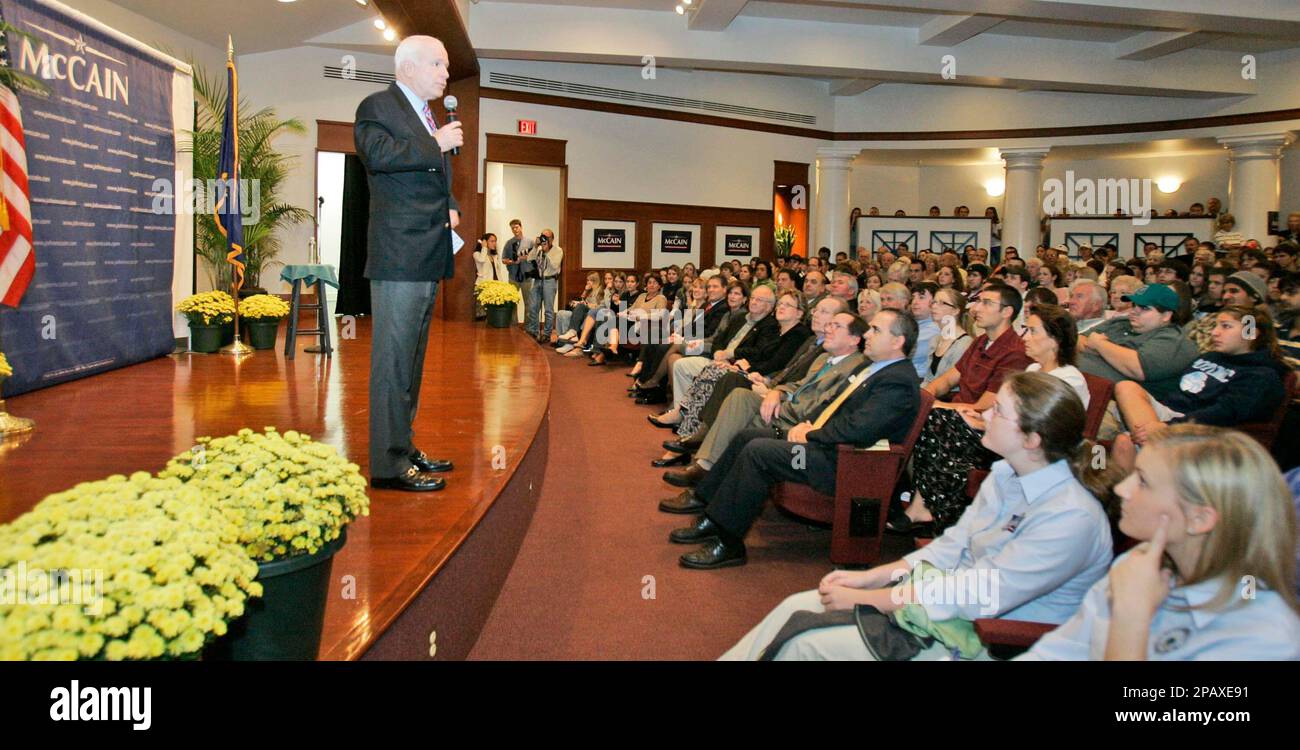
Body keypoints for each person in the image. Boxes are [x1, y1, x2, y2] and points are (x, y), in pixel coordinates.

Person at [724, 372, 1113, 659]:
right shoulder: (1006, 474)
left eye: (999, 411)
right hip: (940, 602)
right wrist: (870, 576)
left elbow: (981, 596)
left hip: (985, 639)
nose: (983, 413)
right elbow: (949, 549)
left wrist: (878, 597)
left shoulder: (1069, 517)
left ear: (1031, 439)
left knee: (805, 645)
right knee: (796, 605)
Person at [667, 311, 923, 569]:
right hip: (826, 448)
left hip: (841, 463)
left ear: (897, 341)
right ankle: (711, 513)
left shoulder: (897, 380)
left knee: (759, 452)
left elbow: (860, 428)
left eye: (876, 330)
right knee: (748, 436)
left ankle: (729, 542)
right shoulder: (875, 369)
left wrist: (810, 433)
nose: (867, 333)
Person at [1020, 425, 1300, 660]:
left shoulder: (1264, 636)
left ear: (1199, 518)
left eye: (1142, 481)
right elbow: (1058, 652)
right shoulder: (1141, 563)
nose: (1121, 489)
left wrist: (1131, 617)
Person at [354, 34, 462, 493]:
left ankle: (403, 445)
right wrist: (434, 142)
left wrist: (451, 202)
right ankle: (387, 466)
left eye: (446, 66)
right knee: (393, 363)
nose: (445, 73)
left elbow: (430, 177)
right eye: (437, 64)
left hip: (425, 250)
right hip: (398, 255)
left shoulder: (426, 114)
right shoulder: (377, 106)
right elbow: (377, 157)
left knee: (412, 363)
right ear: (409, 68)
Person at [891, 283, 1032, 535]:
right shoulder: (980, 342)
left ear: (1007, 312)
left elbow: (985, 405)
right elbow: (948, 379)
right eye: (978, 302)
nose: (977, 308)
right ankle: (907, 499)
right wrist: (925, 396)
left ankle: (927, 509)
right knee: (919, 412)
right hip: (959, 416)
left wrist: (938, 405)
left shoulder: (1014, 351)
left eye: (987, 303)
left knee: (935, 419)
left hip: (985, 427)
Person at [1110, 306, 1289, 469]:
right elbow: (1179, 390)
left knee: (1124, 443)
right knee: (1126, 387)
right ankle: (1155, 451)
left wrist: (1168, 426)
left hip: (1201, 431)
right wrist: (1157, 422)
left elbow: (1225, 414)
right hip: (1170, 416)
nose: (1215, 333)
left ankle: (1155, 456)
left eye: (1226, 326)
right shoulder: (1211, 357)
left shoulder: (1262, 375)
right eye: (1216, 326)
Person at [1077, 284, 1198, 406]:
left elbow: (1138, 368)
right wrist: (1112, 353)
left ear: (1166, 315)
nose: (1134, 311)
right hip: (1077, 382)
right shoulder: (1120, 322)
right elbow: (1077, 339)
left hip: (1114, 405)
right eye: (1134, 305)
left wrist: (1099, 344)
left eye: (1144, 308)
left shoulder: (1174, 339)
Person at [525, 228, 564, 343]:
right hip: (537, 280)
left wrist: (547, 252)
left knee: (548, 309)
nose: (544, 239)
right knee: (533, 307)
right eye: (543, 236)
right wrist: (536, 247)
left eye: (547, 237)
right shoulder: (539, 249)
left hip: (550, 281)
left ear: (552, 239)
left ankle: (547, 334)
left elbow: (555, 265)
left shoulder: (558, 250)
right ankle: (534, 332)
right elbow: (529, 259)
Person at [501, 219, 533, 325]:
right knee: (512, 302)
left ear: (521, 227)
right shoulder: (509, 243)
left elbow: (536, 257)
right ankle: (513, 325)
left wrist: (526, 257)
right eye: (513, 228)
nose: (515, 230)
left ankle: (528, 327)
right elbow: (503, 260)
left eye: (516, 227)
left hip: (527, 278)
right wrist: (513, 261)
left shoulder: (530, 242)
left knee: (528, 303)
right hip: (513, 277)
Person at [472, 233, 507, 320]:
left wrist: (502, 284)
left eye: (495, 241)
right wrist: (484, 247)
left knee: (493, 313)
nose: (494, 243)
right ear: (485, 242)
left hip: (495, 286)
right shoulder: (477, 254)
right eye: (492, 241)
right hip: (483, 285)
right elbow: (481, 259)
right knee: (482, 313)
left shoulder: (494, 255)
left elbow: (497, 272)